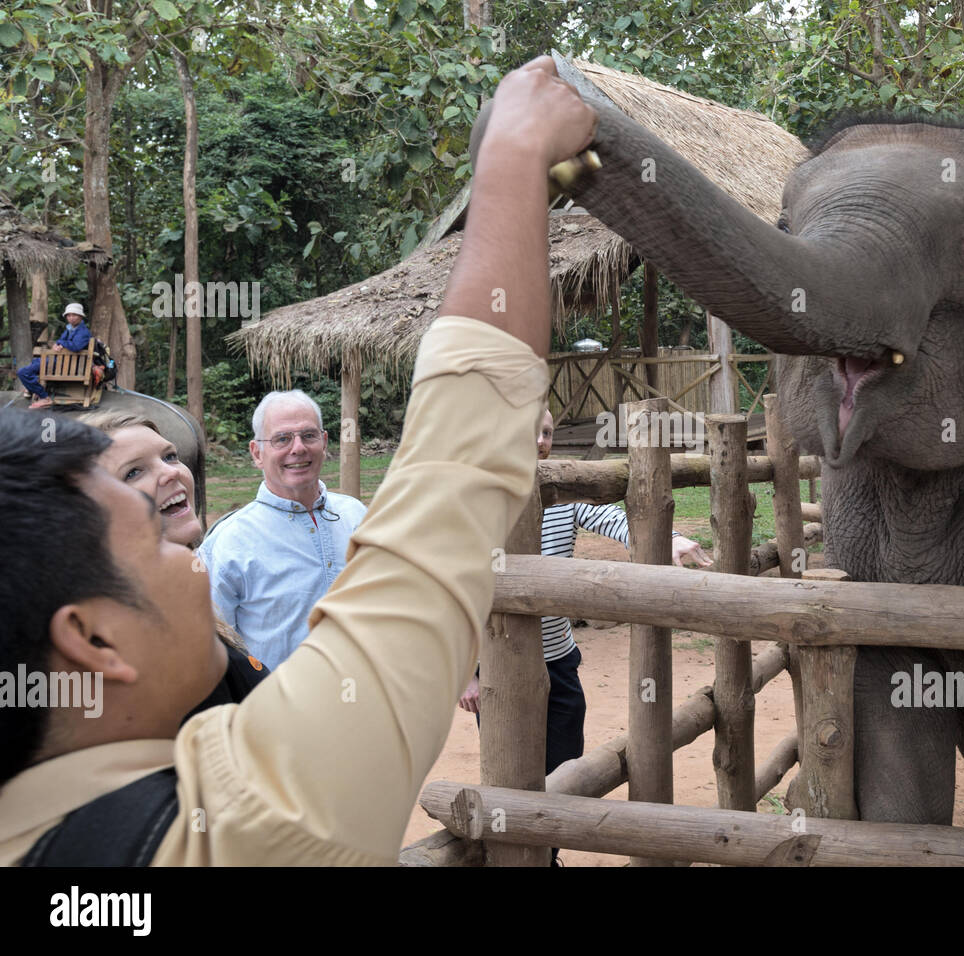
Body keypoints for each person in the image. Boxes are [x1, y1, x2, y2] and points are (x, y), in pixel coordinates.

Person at [0, 54, 594, 865]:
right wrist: (516, 155)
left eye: (308, 435)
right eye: (147, 526)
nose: (197, 563)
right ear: (95, 641)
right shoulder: (247, 821)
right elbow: (440, 518)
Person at [458, 408, 712, 787]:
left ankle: (551, 847)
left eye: (546, 433)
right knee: (510, 771)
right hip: (495, 664)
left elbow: (613, 518)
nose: (540, 442)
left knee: (565, 769)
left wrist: (670, 538)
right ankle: (518, 844)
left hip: (558, 660)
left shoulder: (562, 492)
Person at [87, 412, 266, 713]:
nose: (171, 473)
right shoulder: (141, 643)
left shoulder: (179, 604)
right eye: (133, 472)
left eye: (170, 456)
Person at [196, 390, 367, 670]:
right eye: (282, 439)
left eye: (308, 436)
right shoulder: (229, 543)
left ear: (324, 443)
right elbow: (211, 651)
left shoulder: (356, 516)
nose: (298, 448)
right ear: (257, 453)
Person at [16, 303, 90, 409]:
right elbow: (61, 341)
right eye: (69, 315)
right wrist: (58, 344)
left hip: (66, 365)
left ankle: (44, 398)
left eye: (74, 315)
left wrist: (61, 343)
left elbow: (76, 346)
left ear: (81, 316)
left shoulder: (83, 332)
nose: (71, 318)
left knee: (23, 372)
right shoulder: (69, 329)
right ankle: (31, 388)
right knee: (35, 362)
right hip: (59, 361)